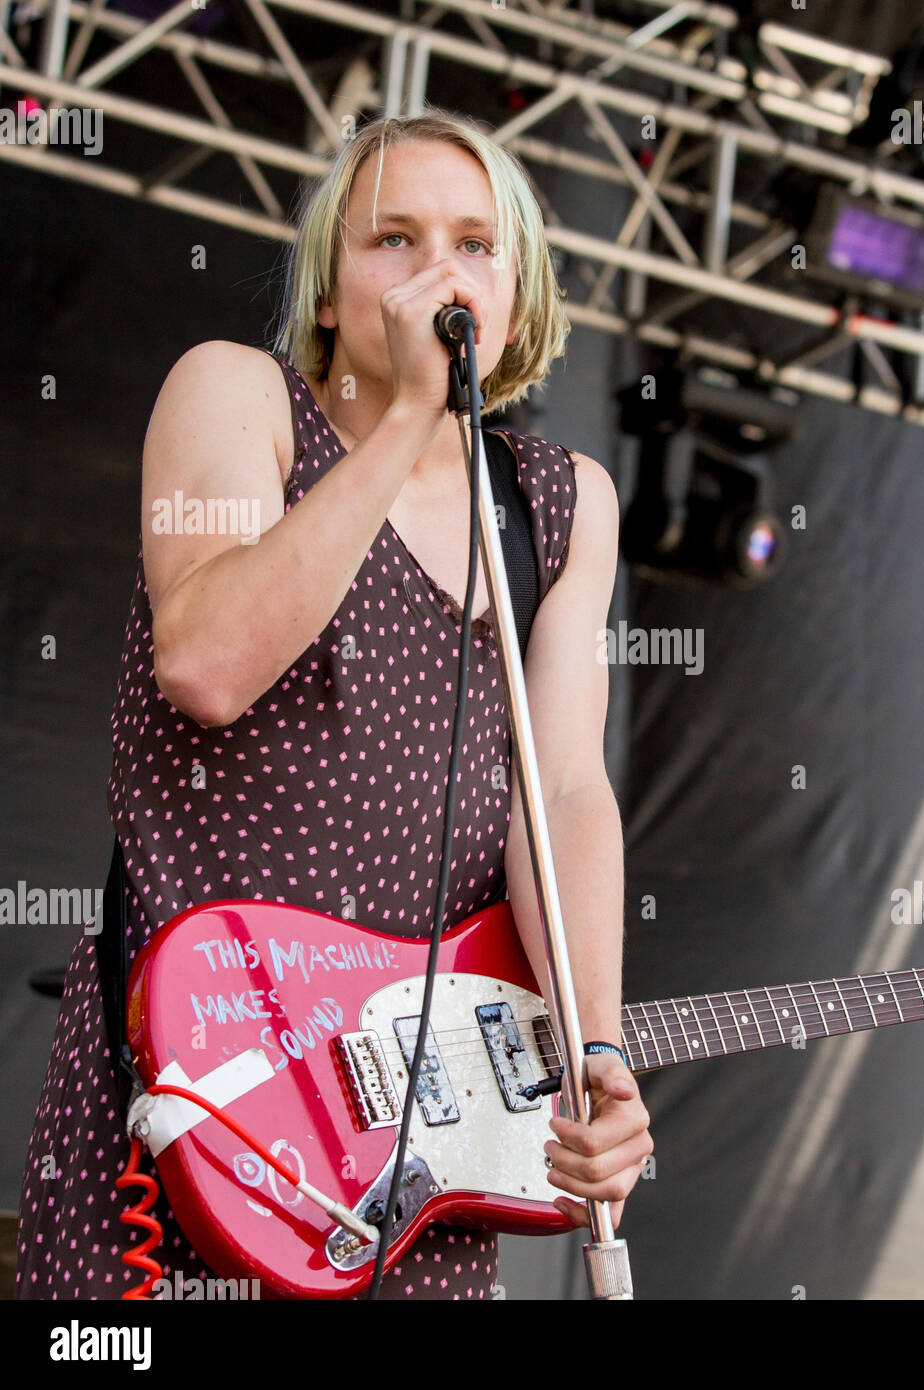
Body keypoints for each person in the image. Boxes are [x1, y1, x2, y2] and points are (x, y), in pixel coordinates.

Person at [15, 108, 652, 1300]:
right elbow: (206, 661)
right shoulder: (237, 397)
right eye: (393, 241)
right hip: (205, 1082)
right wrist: (407, 415)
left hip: (416, 1130)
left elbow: (562, 789)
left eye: (473, 244)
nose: (437, 273)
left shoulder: (560, 504)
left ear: (516, 296)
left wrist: (594, 1042)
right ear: (325, 289)